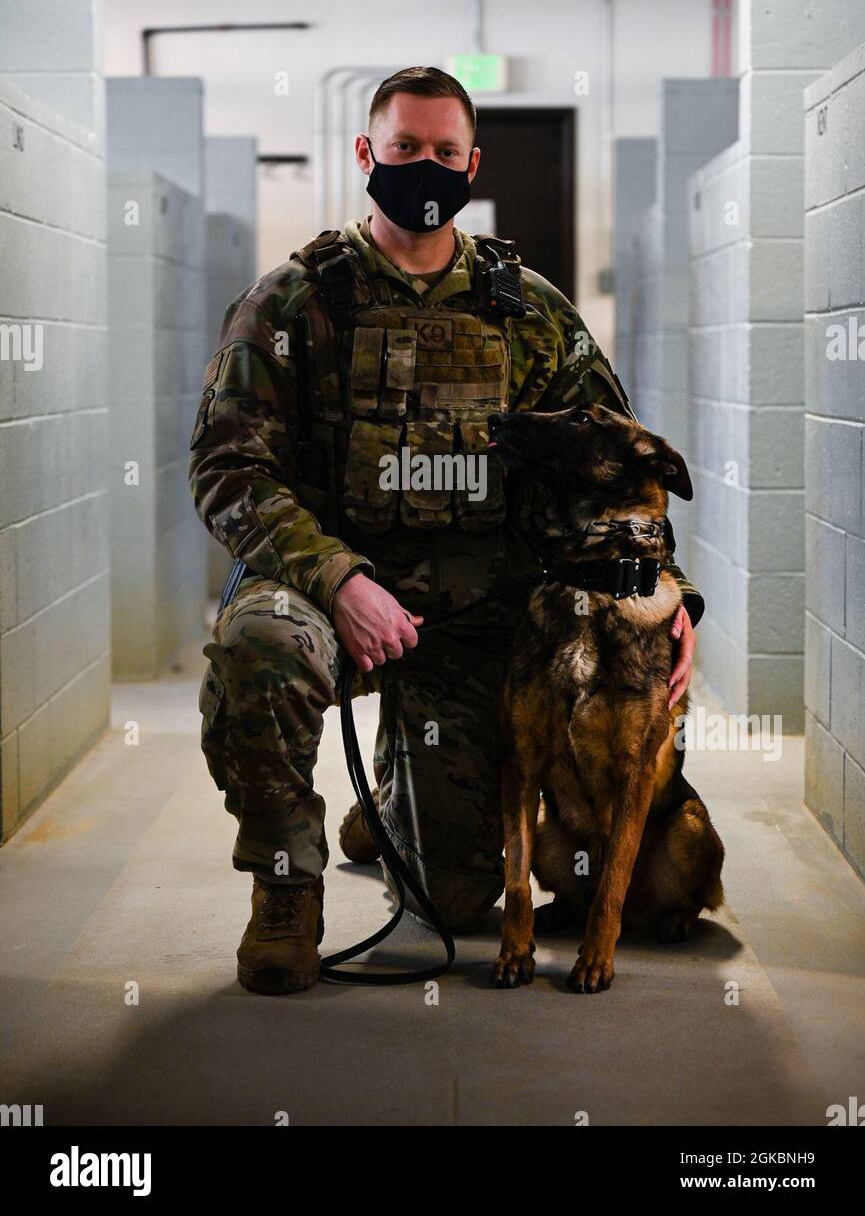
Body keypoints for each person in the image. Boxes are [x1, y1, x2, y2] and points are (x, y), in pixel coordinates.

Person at [189, 65, 702, 995]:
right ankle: (283, 888)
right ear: (365, 155)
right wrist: (338, 579)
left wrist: (659, 600)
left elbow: (619, 476)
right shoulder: (296, 301)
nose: (423, 166)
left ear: (472, 163)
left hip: (479, 610)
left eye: (442, 152)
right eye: (403, 149)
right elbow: (229, 470)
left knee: (461, 903)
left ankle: (394, 809)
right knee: (255, 649)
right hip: (328, 584)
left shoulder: (529, 310)